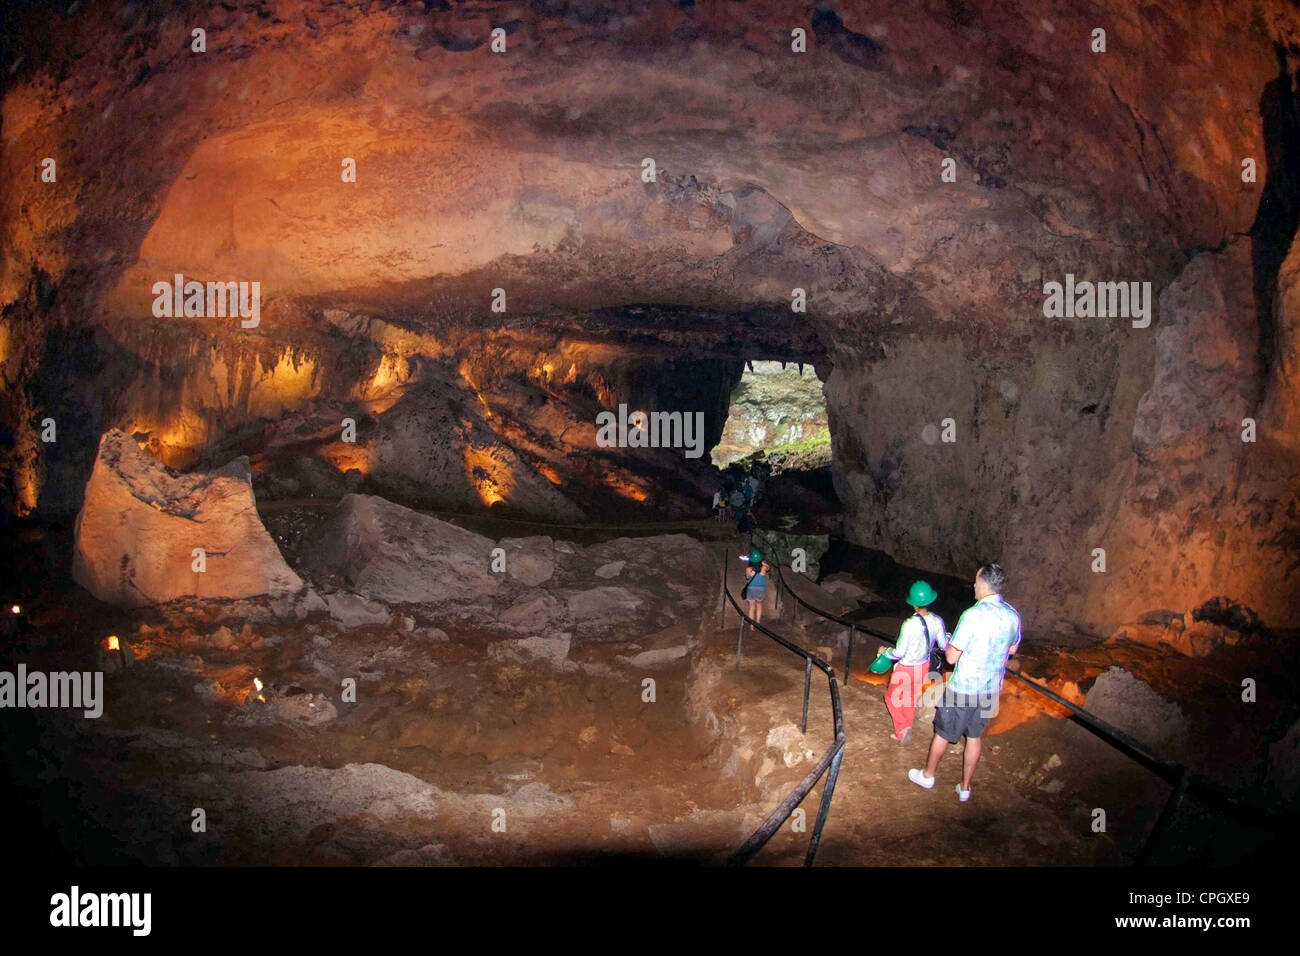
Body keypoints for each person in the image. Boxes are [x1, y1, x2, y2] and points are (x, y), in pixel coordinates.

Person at [908, 563, 1020, 802]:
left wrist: (951, 645)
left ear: (983, 585)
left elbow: (951, 657)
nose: (973, 585)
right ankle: (965, 787)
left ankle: (928, 775)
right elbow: (1012, 649)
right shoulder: (1013, 615)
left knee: (942, 733)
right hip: (990, 689)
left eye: (976, 581)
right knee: (974, 737)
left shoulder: (972, 616)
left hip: (964, 688)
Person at [883, 581, 946, 744]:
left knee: (891, 698)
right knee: (909, 698)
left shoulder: (909, 624)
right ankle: (907, 726)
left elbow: (899, 652)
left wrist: (886, 652)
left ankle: (902, 728)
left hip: (906, 667)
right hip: (923, 666)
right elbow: (944, 645)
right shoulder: (937, 621)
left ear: (913, 604)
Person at [744, 559, 767, 624]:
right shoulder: (764, 568)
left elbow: (747, 577)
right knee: (759, 605)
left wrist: (751, 574)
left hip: (751, 588)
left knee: (752, 606)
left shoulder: (748, 569)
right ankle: (758, 622)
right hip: (761, 588)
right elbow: (768, 568)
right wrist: (763, 563)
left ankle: (752, 625)